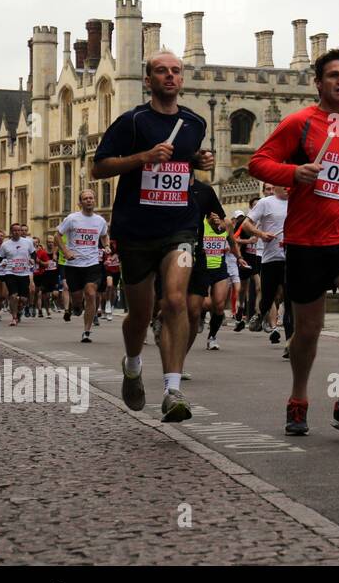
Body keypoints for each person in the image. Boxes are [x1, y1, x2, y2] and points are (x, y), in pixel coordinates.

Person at [249, 47, 339, 440]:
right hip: (307, 239)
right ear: (319, 83)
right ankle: (298, 397)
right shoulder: (300, 123)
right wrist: (296, 172)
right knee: (308, 331)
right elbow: (258, 162)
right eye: (334, 76)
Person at [92, 50, 213, 422]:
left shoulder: (195, 122)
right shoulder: (132, 122)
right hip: (136, 230)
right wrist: (144, 157)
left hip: (180, 226)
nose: (170, 77)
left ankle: (173, 390)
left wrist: (197, 162)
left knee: (176, 300)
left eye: (176, 71)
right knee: (140, 314)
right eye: (162, 71)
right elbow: (99, 167)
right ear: (148, 80)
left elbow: (186, 160)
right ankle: (132, 365)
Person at [186, 179, 237, 353]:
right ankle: (199, 315)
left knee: (220, 305)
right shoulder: (197, 224)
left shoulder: (221, 222)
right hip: (203, 266)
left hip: (219, 268)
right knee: (205, 304)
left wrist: (239, 257)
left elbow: (231, 240)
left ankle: (212, 337)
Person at [57, 188, 110, 343]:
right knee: (78, 299)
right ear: (80, 203)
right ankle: (77, 307)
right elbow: (57, 236)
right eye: (85, 198)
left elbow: (104, 235)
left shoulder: (100, 221)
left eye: (91, 198)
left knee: (91, 293)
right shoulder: (72, 219)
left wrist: (106, 245)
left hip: (92, 263)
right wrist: (66, 252)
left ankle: (86, 331)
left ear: (94, 201)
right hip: (73, 264)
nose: (89, 200)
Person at [243, 185, 291, 349]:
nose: (287, 188)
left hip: (292, 258)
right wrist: (261, 235)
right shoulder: (265, 203)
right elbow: (246, 225)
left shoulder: (298, 202)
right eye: (283, 184)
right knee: (268, 297)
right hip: (271, 258)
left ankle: (290, 343)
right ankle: (261, 313)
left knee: (289, 300)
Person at [0, 223, 37, 326]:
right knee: (13, 295)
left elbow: (33, 253)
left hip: (24, 273)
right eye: (14, 230)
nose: (17, 232)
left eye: (19, 230)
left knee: (23, 299)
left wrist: (32, 259)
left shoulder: (28, 242)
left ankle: (19, 310)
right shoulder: (5, 244)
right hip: (10, 272)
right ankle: (14, 317)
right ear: (11, 232)